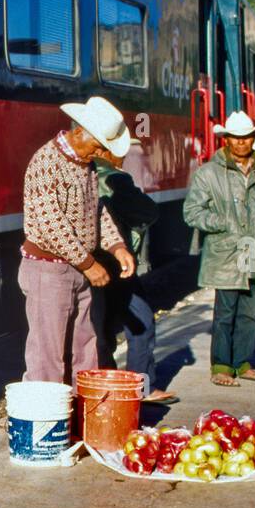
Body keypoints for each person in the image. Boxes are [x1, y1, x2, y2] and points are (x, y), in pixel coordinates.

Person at [19, 96, 136, 384]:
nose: (98, 153)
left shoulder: (85, 164)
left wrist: (116, 246)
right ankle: (47, 424)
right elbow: (51, 225)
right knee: (48, 356)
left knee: (84, 348)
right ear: (80, 131)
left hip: (75, 269)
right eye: (98, 146)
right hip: (49, 269)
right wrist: (88, 264)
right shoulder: (47, 162)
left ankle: (79, 418)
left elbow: (96, 210)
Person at [183, 111, 255, 388]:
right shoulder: (208, 173)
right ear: (226, 139)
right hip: (226, 252)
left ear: (253, 139)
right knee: (225, 313)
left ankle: (243, 363)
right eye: (236, 137)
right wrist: (223, 223)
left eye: (246, 137)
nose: (241, 143)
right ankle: (221, 366)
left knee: (251, 313)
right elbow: (192, 212)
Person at [91, 140, 178, 404]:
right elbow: (149, 211)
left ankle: (103, 386)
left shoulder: (84, 172)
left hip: (90, 264)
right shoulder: (115, 177)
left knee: (99, 327)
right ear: (108, 151)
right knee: (141, 322)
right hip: (118, 265)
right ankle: (143, 387)